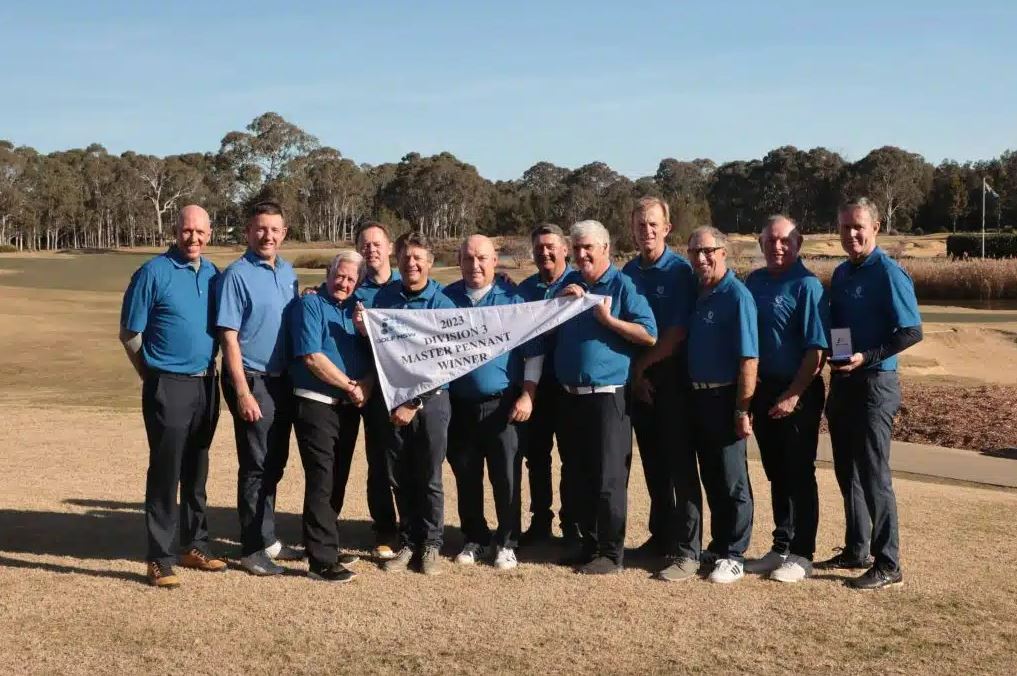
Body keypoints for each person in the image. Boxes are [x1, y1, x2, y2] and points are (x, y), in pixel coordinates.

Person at [119, 205, 226, 588]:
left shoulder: (214, 274)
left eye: (200, 231)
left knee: (197, 469)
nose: (193, 238)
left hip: (206, 383)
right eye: (186, 231)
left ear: (210, 233)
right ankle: (160, 558)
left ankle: (195, 545)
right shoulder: (153, 272)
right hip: (169, 383)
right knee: (166, 472)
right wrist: (152, 376)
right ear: (175, 230)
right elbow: (131, 334)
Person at [820, 197, 922, 591]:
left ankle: (888, 562)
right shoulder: (844, 273)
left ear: (876, 228)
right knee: (848, 472)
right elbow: (841, 325)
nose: (852, 234)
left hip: (876, 384)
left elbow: (911, 331)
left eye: (859, 227)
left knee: (874, 474)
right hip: (845, 381)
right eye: (845, 228)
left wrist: (866, 357)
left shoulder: (889, 273)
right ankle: (856, 548)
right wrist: (839, 355)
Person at [556, 220, 657, 575]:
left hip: (608, 396)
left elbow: (649, 334)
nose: (581, 254)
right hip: (572, 397)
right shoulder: (569, 287)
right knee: (581, 475)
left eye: (588, 248)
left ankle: (611, 554)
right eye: (576, 248)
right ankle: (588, 544)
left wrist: (608, 319)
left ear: (605, 249)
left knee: (608, 477)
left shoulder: (622, 285)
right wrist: (559, 303)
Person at [444, 235, 543, 571]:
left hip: (503, 404)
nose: (476, 265)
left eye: (482, 258)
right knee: (466, 476)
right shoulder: (446, 299)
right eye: (469, 258)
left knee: (506, 476)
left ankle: (507, 542)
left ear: (494, 259)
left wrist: (528, 394)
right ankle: (475, 537)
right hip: (459, 405)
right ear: (459, 261)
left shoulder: (514, 298)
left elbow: (533, 354)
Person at [217, 200, 302, 576]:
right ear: (249, 232)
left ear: (284, 233)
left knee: (274, 464)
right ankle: (251, 549)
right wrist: (242, 392)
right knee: (255, 466)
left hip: (284, 381)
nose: (267, 235)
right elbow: (229, 338)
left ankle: (266, 538)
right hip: (253, 379)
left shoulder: (287, 272)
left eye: (274, 229)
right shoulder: (236, 274)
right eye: (260, 229)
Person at [744, 216, 828, 583]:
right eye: (771, 240)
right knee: (776, 472)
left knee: (798, 471)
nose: (777, 247)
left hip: (799, 391)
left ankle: (802, 553)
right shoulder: (755, 281)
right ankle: (781, 546)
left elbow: (816, 351)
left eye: (785, 241)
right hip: (763, 389)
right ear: (760, 243)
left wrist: (794, 395)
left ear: (799, 243)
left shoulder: (807, 285)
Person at [370, 231, 458, 575]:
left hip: (432, 402)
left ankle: (432, 543)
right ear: (398, 261)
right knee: (399, 476)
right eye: (406, 257)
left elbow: (446, 361)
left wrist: (414, 402)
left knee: (429, 476)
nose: (411, 263)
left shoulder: (442, 303)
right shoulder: (385, 297)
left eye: (418, 257)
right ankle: (408, 541)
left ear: (430, 263)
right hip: (393, 401)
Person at [621, 197, 699, 580]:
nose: (646, 231)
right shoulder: (628, 271)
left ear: (667, 228)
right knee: (653, 463)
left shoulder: (680, 271)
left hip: (671, 377)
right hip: (639, 379)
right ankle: (661, 536)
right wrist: (636, 376)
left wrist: (642, 369)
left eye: (653, 225)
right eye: (640, 225)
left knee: (679, 466)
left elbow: (676, 333)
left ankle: (687, 548)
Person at [288, 251, 376, 583]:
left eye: (352, 279)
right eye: (340, 275)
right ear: (329, 273)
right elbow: (312, 357)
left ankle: (326, 543)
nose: (344, 283)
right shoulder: (310, 305)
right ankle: (320, 562)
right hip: (316, 403)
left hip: (347, 406)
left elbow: (370, 357)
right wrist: (351, 387)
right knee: (322, 479)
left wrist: (363, 385)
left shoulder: (356, 312)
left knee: (337, 478)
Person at [685, 226, 758, 584]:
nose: (701, 258)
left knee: (733, 482)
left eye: (708, 251)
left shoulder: (736, 296)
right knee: (711, 476)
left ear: (723, 252)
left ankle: (735, 554)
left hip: (726, 396)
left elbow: (748, 360)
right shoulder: (699, 292)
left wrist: (742, 410)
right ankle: (718, 544)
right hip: (696, 397)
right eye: (694, 252)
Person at [329, 221, 401, 561]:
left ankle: (389, 529)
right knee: (339, 459)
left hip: (387, 390)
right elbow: (330, 296)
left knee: (383, 461)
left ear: (389, 248)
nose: (371, 249)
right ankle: (326, 527)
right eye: (364, 244)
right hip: (349, 387)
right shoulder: (354, 287)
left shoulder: (406, 286)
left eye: (377, 243)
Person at [515, 223, 573, 545]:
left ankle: (571, 522)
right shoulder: (524, 290)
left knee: (570, 458)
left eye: (551, 247)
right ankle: (540, 521)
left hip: (568, 388)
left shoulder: (580, 283)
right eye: (539, 249)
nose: (545, 252)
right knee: (536, 457)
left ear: (565, 249)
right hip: (532, 387)